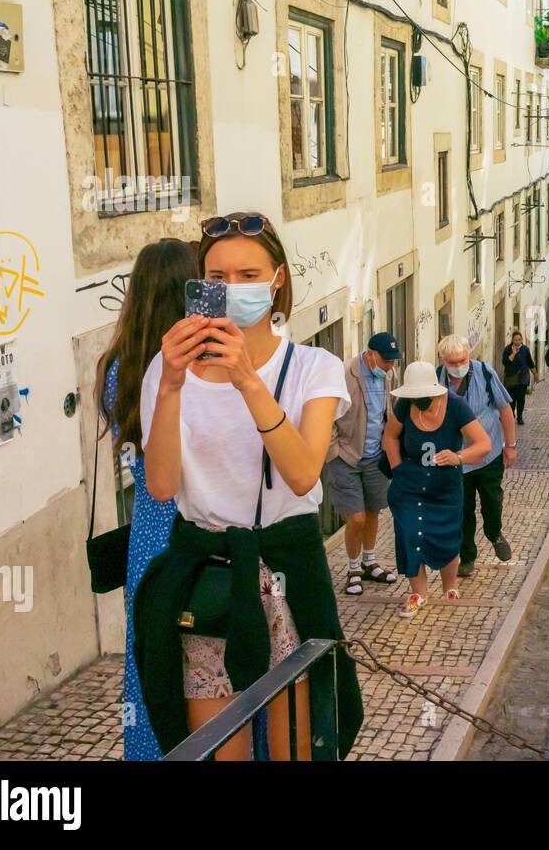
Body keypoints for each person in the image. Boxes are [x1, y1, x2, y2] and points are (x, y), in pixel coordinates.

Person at [135, 212, 362, 761]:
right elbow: (162, 487)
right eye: (216, 278)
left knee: (296, 749)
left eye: (247, 274)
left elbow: (305, 472)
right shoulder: (165, 375)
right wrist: (169, 385)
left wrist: (244, 377)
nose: (231, 288)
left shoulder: (315, 367)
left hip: (289, 568)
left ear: (277, 278)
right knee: (218, 751)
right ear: (199, 286)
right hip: (211, 574)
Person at [93, 237, 197, 761]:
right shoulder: (192, 370)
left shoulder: (117, 369)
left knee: (151, 659)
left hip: (147, 537)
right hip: (193, 526)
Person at [383, 361, 492, 618]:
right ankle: (418, 593)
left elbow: (483, 444)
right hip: (409, 488)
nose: (417, 400)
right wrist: (398, 469)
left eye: (422, 396)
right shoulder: (404, 406)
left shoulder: (456, 406)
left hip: (445, 489)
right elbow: (389, 437)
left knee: (448, 539)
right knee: (410, 535)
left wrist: (458, 457)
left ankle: (449, 587)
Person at [324, 332, 402, 594]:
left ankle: (369, 562)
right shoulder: (344, 373)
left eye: (392, 362)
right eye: (385, 361)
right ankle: (353, 568)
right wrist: (334, 451)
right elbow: (327, 416)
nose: (389, 367)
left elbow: (389, 409)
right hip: (345, 457)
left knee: (372, 511)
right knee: (355, 517)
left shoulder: (388, 375)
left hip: (375, 456)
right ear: (370, 354)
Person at [435, 335, 516, 579]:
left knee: (492, 500)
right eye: (452, 361)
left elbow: (504, 409)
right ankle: (467, 556)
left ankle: (495, 533)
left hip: (489, 452)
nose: (458, 365)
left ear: (469, 356)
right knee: (463, 509)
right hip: (459, 458)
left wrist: (510, 445)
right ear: (443, 360)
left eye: (462, 359)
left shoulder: (485, 373)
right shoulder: (437, 379)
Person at [501, 331, 539, 425]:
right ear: (512, 340)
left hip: (523, 378)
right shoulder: (508, 349)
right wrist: (513, 353)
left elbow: (530, 363)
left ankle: (520, 417)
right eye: (515, 340)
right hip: (511, 378)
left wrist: (535, 375)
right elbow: (505, 362)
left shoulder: (525, 349)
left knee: (521, 398)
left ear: (521, 340)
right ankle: (512, 415)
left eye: (519, 339)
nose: (517, 342)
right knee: (512, 399)